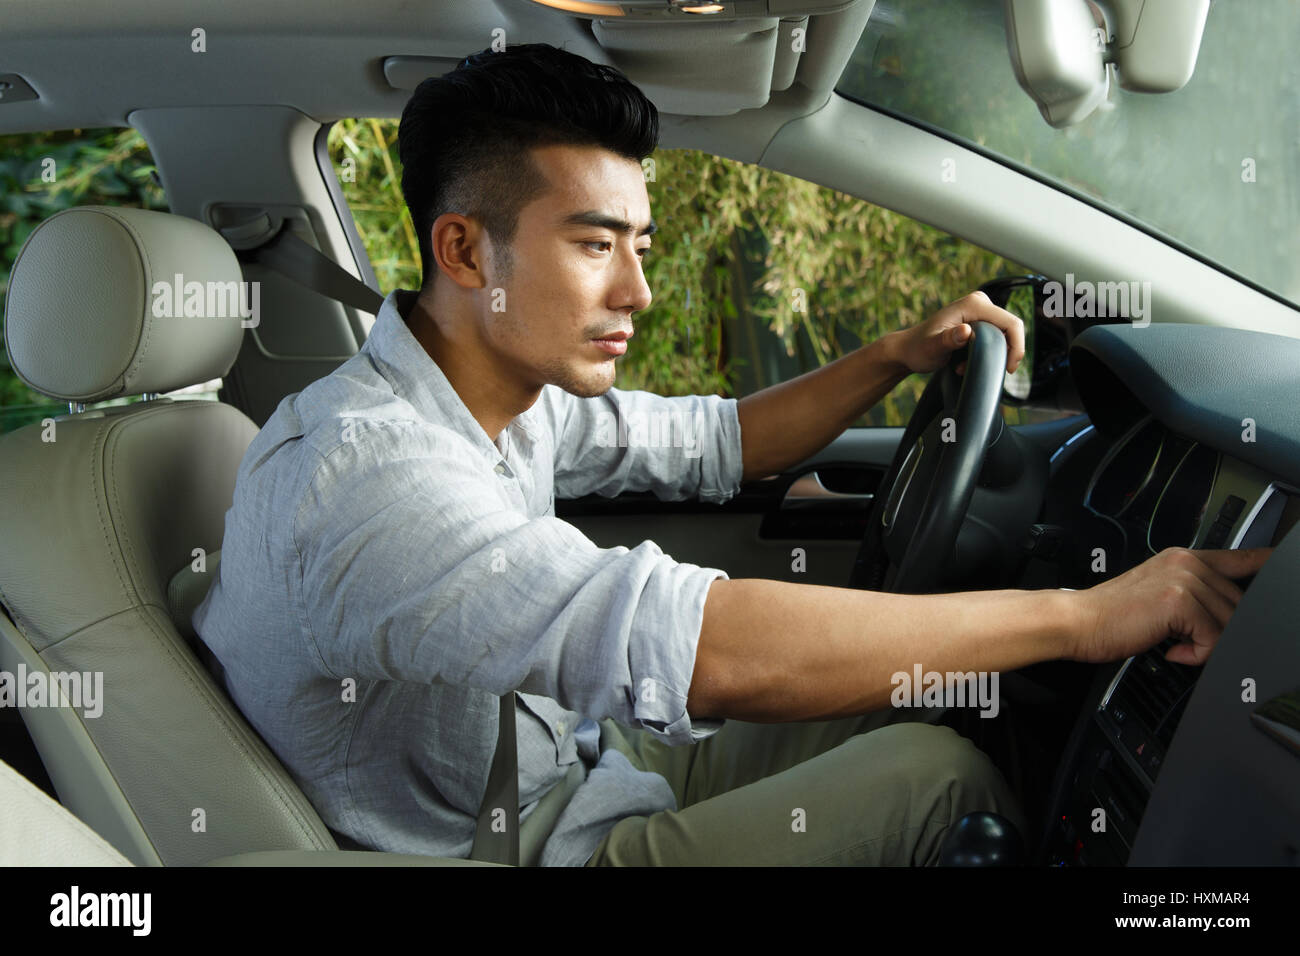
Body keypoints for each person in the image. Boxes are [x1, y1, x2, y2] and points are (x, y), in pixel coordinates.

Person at [193, 42, 1271, 866]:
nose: (638, 290)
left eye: (641, 245)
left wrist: (891, 356)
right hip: (515, 843)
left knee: (923, 687)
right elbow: (706, 646)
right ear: (466, 248)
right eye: (592, 244)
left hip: (572, 762)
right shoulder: (366, 476)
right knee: (941, 768)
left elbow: (721, 440)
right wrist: (1085, 616)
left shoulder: (494, 396)